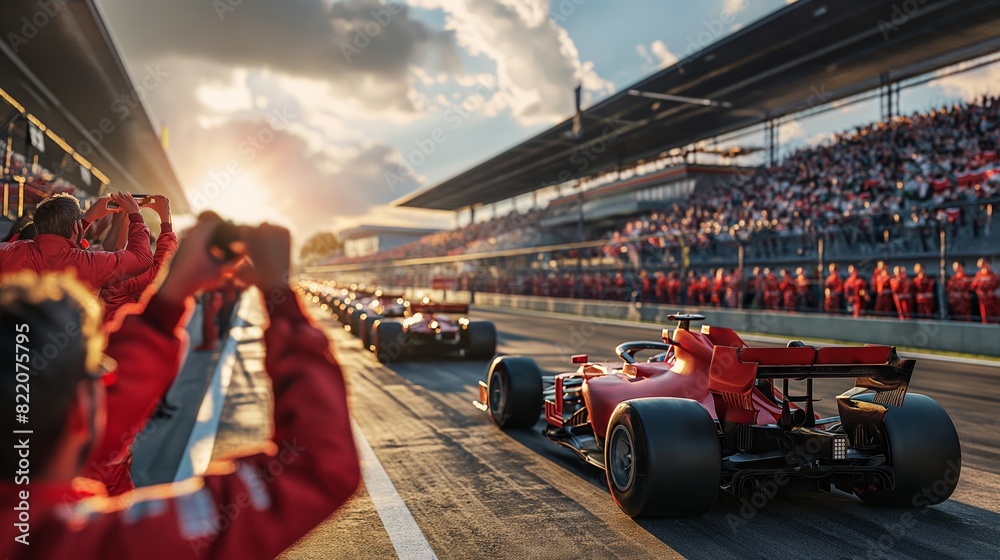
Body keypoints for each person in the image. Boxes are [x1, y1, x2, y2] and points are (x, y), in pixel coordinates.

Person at [0, 216, 361, 559]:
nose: (111, 378)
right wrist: (281, 298)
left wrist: (169, 301)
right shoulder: (99, 547)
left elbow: (50, 414)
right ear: (80, 411)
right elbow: (319, 465)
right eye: (101, 368)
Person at [0, 192, 152, 292]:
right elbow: (141, 258)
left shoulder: (12, 250)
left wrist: (86, 220)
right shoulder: (87, 263)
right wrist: (135, 215)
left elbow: (56, 244)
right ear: (76, 226)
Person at [99, 195, 178, 326]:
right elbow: (163, 264)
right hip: (117, 336)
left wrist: (124, 221)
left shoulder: (111, 272)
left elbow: (117, 251)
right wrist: (165, 218)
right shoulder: (137, 280)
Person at [971, 258, 999, 324]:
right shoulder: (978, 275)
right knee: (984, 315)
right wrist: (979, 292)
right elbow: (973, 286)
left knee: (994, 315)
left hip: (993, 299)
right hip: (983, 299)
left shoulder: (993, 275)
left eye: (985, 264)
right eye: (982, 265)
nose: (984, 266)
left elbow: (997, 285)